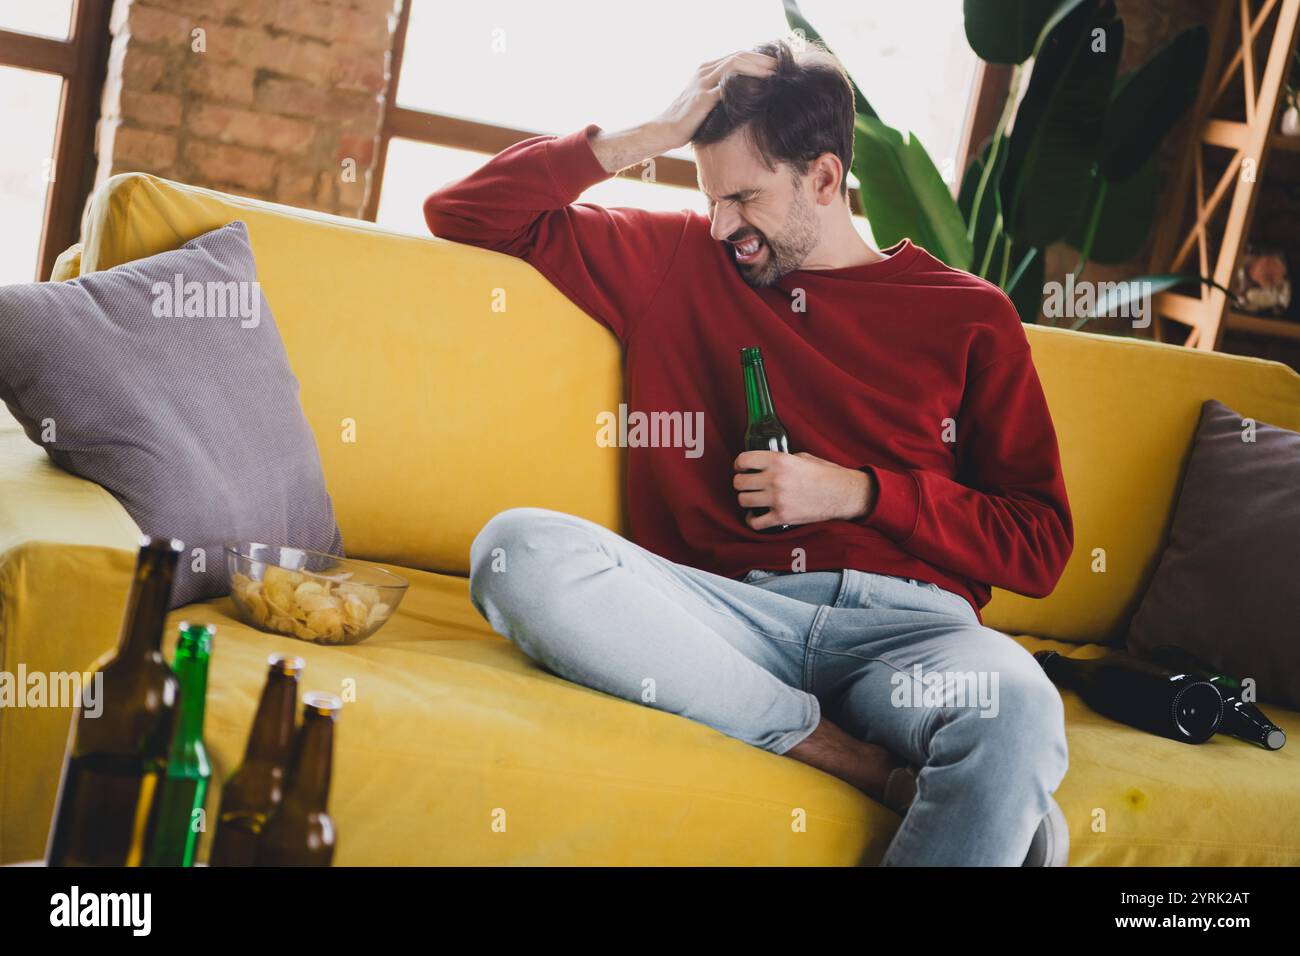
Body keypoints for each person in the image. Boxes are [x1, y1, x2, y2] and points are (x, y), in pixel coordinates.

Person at [424, 38, 1074, 866]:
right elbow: (465, 213)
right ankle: (849, 760)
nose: (725, 225)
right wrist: (642, 138)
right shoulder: (677, 261)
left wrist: (860, 493)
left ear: (826, 179)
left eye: (745, 196)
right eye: (710, 197)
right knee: (517, 552)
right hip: (726, 619)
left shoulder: (971, 316)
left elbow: (1041, 544)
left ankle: (984, 793)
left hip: (914, 637)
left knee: (1017, 710)